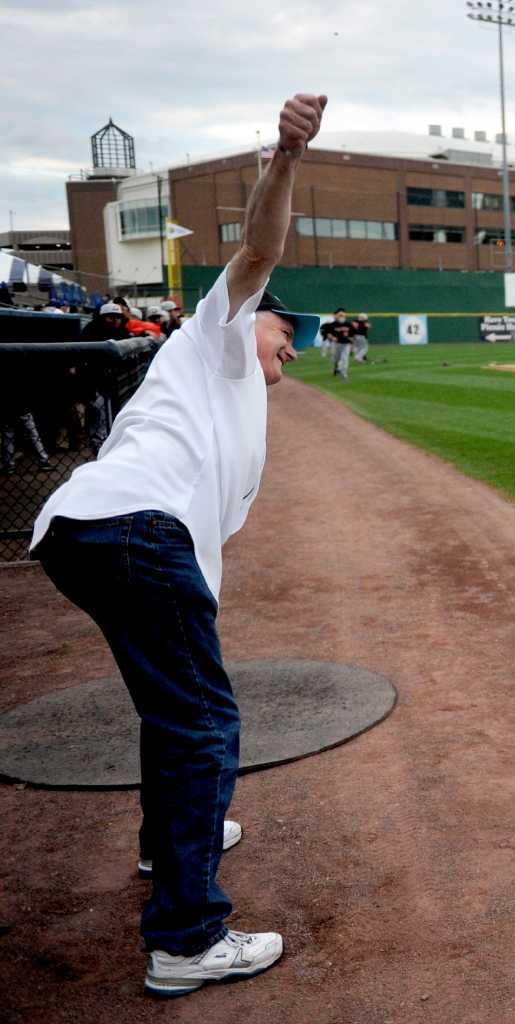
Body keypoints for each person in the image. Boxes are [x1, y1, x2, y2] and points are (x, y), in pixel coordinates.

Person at [30, 92, 327, 997]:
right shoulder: (217, 333)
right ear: (250, 317)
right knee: (204, 724)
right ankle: (187, 941)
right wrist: (285, 158)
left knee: (176, 712)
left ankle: (170, 846)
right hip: (133, 527)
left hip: (86, 532)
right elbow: (261, 250)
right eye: (288, 330)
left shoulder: (225, 402)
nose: (293, 348)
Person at [328, 307, 353, 379]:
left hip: (346, 344)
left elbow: (352, 335)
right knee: (336, 359)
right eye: (340, 315)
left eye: (343, 315)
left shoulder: (348, 324)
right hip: (336, 344)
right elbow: (329, 334)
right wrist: (332, 338)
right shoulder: (333, 324)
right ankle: (336, 369)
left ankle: (343, 373)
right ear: (337, 316)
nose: (341, 317)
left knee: (344, 358)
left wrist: (352, 346)